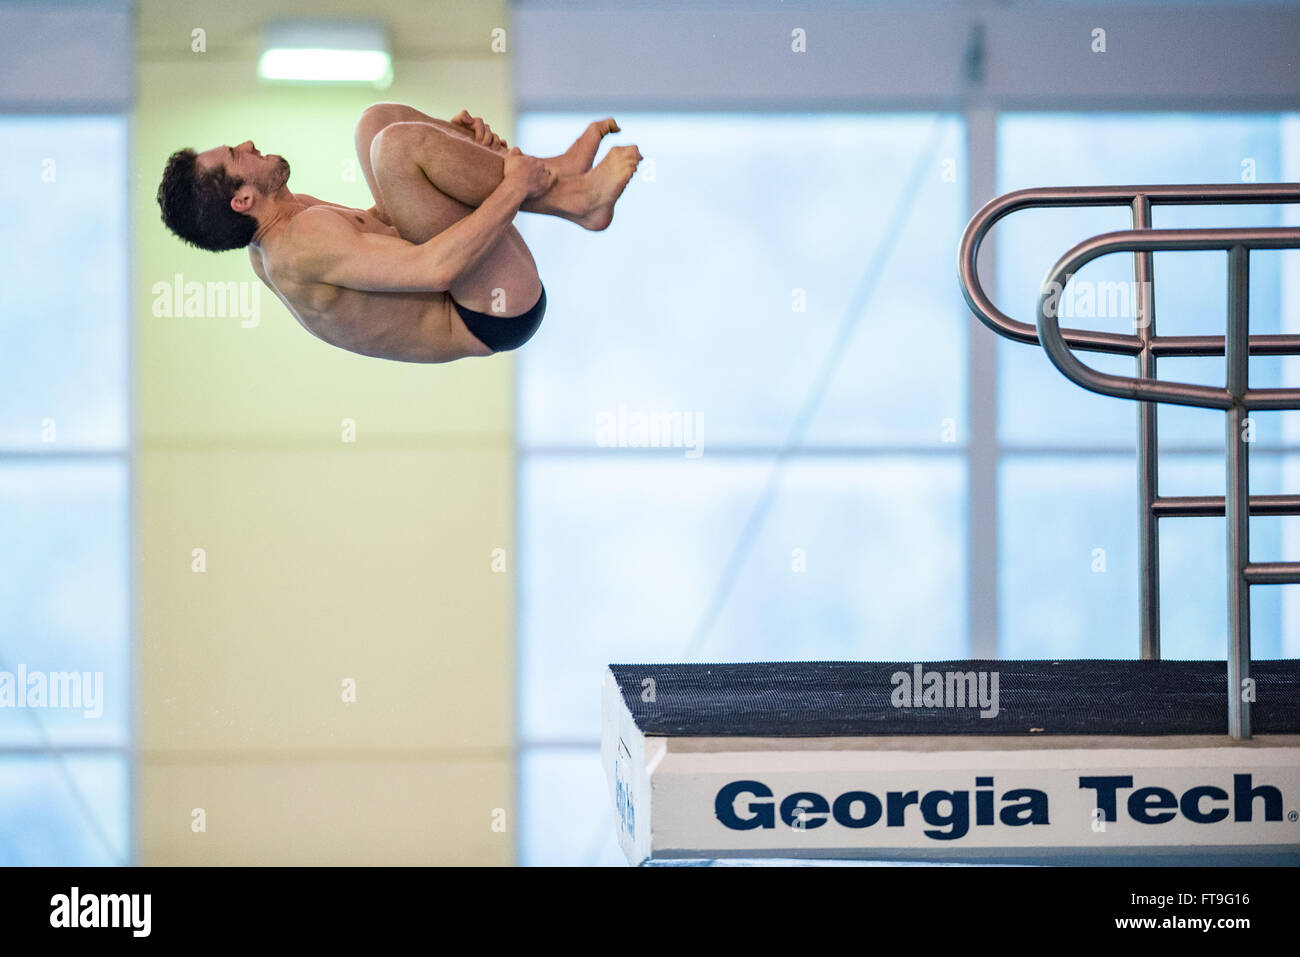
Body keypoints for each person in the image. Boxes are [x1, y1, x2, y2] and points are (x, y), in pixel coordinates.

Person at [156, 103, 640, 361]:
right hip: (489, 312)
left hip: (453, 276)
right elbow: (435, 268)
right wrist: (510, 188)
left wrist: (450, 153)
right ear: (243, 200)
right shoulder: (299, 244)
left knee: (378, 125)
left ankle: (556, 173)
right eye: (236, 156)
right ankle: (576, 200)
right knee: (397, 148)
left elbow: (382, 226)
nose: (247, 143)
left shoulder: (286, 220)